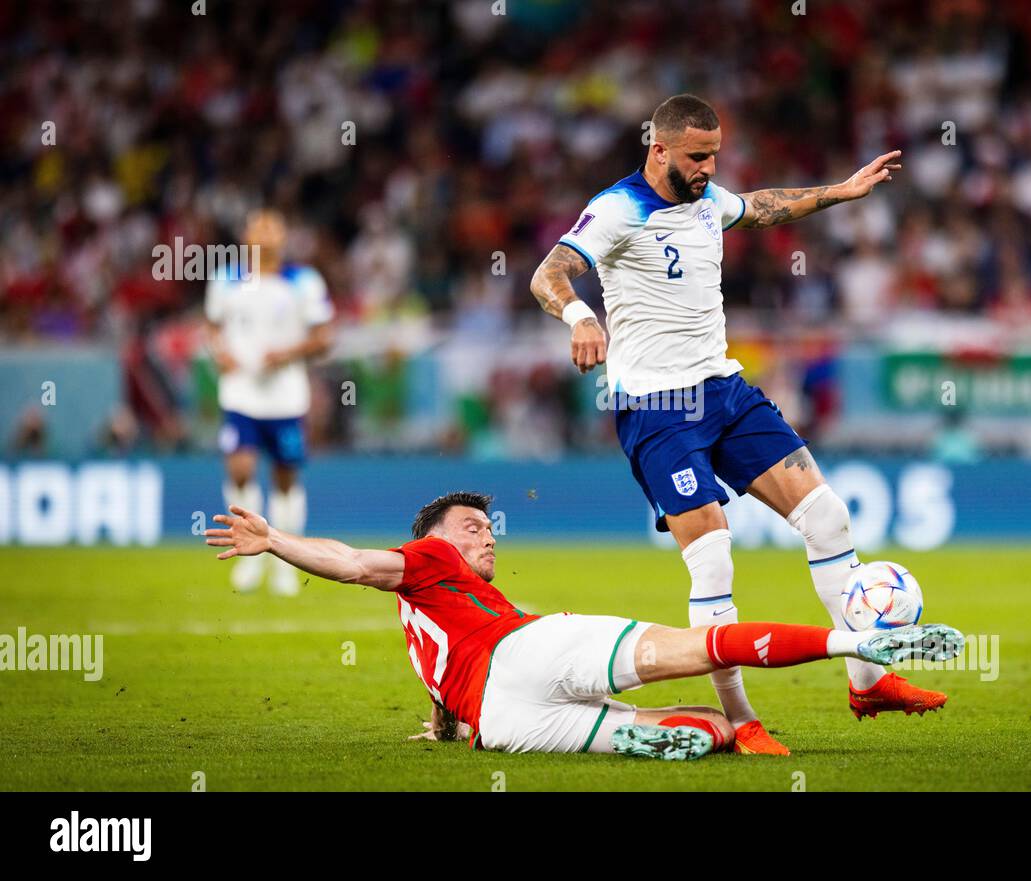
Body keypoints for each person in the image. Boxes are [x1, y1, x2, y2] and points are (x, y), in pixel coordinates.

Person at [529, 94, 942, 753]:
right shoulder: (617, 209)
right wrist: (579, 317)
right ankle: (741, 721)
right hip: (659, 411)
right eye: (697, 156)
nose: (709, 167)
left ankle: (867, 679)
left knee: (828, 516)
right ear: (658, 149)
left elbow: (763, 204)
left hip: (724, 392)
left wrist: (840, 191)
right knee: (714, 558)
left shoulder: (706, 199)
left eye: (715, 154)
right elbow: (548, 272)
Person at [203, 491, 964, 760]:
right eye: (473, 527)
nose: (485, 536)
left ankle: (659, 731)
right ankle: (854, 642)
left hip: (499, 721)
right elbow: (353, 561)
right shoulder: (430, 556)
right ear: (437, 535)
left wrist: (439, 729)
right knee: (695, 648)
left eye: (487, 528)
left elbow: (441, 679)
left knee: (707, 732)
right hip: (527, 649)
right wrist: (277, 542)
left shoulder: (428, 609)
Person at [205, 210, 334, 595]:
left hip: (285, 397)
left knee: (284, 478)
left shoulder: (303, 282)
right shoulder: (226, 279)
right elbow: (212, 326)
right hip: (241, 392)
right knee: (241, 468)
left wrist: (287, 353)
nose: (262, 235)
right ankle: (251, 560)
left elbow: (324, 337)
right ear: (245, 237)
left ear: (282, 238)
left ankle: (286, 562)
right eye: (255, 227)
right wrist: (219, 352)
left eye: (271, 228)